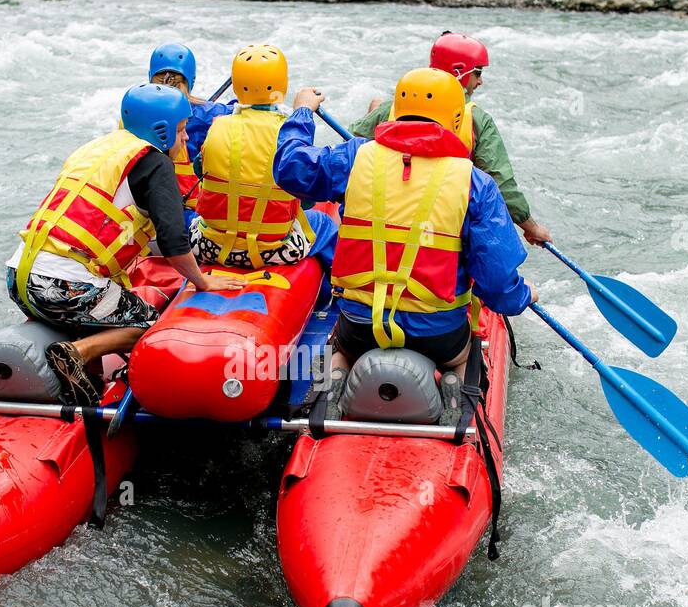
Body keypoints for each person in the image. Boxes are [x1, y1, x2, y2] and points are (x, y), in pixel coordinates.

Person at [274, 68, 538, 425]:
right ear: (456, 119)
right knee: (464, 354)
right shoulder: (475, 183)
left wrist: (301, 113)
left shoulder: (357, 157)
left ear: (395, 110)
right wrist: (524, 296)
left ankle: (330, 385)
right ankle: (458, 402)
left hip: (359, 325)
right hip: (439, 334)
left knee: (341, 347)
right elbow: (497, 286)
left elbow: (291, 168)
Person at [0, 83, 243, 402]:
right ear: (161, 132)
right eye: (181, 131)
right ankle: (76, 353)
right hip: (65, 288)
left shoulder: (96, 149)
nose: (187, 138)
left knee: (96, 306)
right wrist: (202, 282)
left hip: (18, 279)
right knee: (153, 324)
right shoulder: (155, 163)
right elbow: (174, 241)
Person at [349, 31, 553, 248]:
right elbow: (499, 181)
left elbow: (353, 146)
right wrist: (531, 227)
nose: (481, 80)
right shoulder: (477, 120)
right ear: (459, 73)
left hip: (384, 213)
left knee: (375, 103)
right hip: (442, 226)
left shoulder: (393, 106)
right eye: (478, 72)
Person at [184, 43, 337, 269]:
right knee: (324, 222)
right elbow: (306, 201)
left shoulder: (217, 126)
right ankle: (329, 294)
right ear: (282, 86)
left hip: (208, 245)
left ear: (236, 88)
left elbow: (200, 171)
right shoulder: (290, 135)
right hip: (274, 249)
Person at [147, 42, 206, 215]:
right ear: (190, 80)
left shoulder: (137, 112)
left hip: (146, 211)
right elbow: (243, 111)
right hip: (187, 214)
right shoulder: (204, 114)